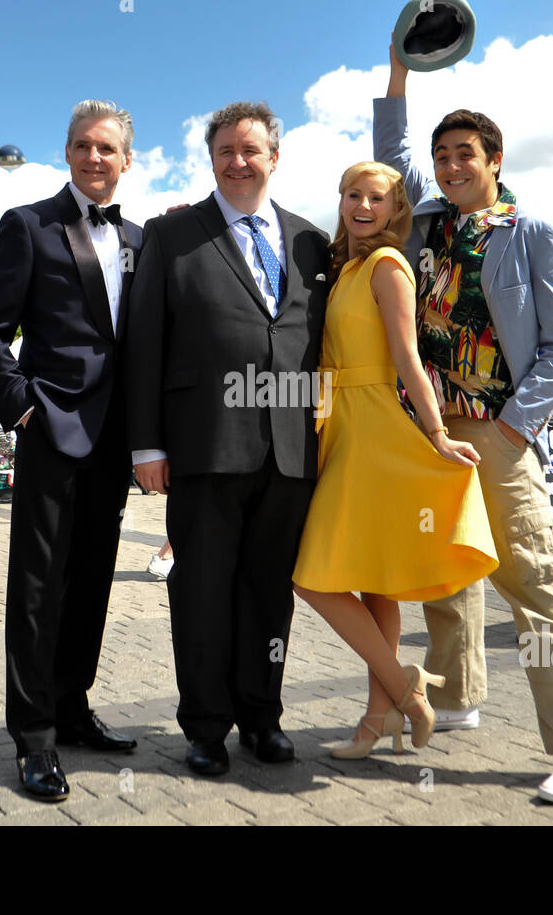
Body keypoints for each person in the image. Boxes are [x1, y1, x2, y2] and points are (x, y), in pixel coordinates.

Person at [375, 45, 553, 803]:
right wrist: (398, 69)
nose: (449, 167)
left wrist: (516, 427)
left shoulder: (532, 230)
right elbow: (392, 149)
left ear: (495, 159)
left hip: (495, 430)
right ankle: (456, 698)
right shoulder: (428, 222)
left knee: (534, 579)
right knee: (445, 576)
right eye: (442, 156)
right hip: (428, 426)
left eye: (464, 155)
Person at [125, 101, 332, 777]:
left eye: (251, 151)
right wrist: (147, 445)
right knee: (203, 592)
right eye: (225, 152)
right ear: (210, 160)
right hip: (204, 445)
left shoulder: (310, 242)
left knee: (268, 592)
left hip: (290, 449)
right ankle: (207, 727)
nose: (238, 162)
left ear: (275, 157)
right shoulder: (172, 234)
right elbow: (145, 343)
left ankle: (262, 716)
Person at [291, 161, 498, 758]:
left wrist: (436, 433)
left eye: (375, 197)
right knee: (376, 585)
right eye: (352, 193)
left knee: (310, 578)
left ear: (394, 208)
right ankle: (376, 721)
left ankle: (405, 688)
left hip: (375, 426)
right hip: (340, 425)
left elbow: (409, 358)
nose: (362, 205)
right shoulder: (345, 266)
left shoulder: (387, 265)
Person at [0, 100, 143, 803]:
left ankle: (72, 706)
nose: (94, 157)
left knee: (93, 577)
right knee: (38, 584)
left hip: (115, 437)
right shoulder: (28, 225)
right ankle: (34, 736)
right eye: (82, 145)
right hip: (52, 429)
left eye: (107, 148)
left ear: (127, 159)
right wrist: (23, 409)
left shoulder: (139, 238)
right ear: (67, 153)